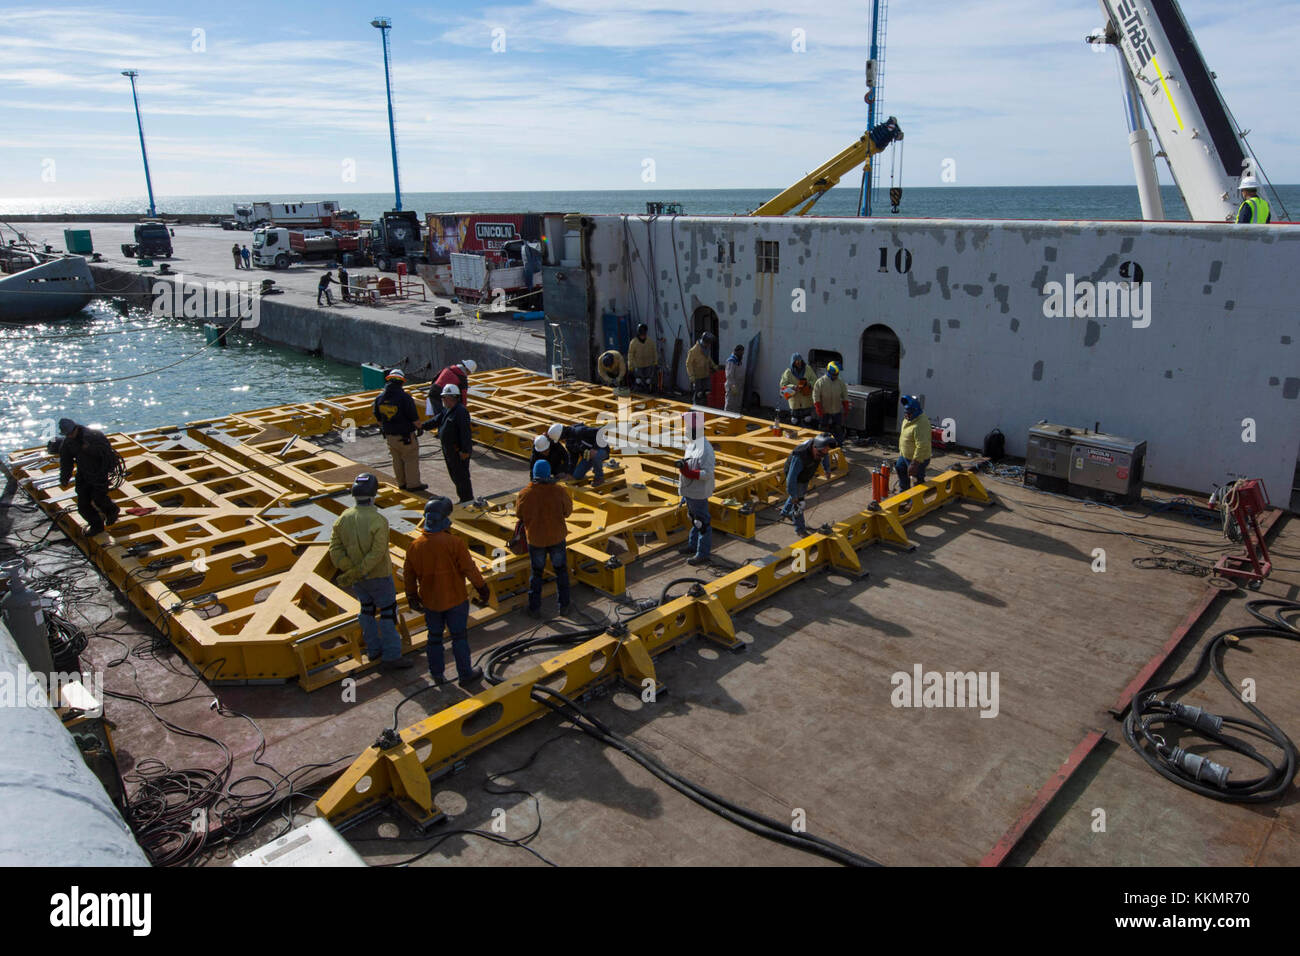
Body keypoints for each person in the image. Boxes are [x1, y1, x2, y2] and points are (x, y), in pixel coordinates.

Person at [328, 473, 412, 671]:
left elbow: (335, 548)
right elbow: (378, 552)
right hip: (379, 577)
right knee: (388, 614)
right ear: (374, 494)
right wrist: (361, 569)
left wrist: (351, 569)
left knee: (366, 611)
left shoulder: (343, 518)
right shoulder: (378, 520)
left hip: (358, 579)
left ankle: (373, 650)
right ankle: (391, 656)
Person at [404, 496, 486, 687]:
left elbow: (409, 575)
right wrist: (482, 588)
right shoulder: (454, 543)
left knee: (434, 638)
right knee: (459, 637)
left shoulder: (415, 546)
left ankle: (437, 674)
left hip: (431, 602)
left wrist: (412, 596)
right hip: (455, 599)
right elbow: (469, 569)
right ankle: (465, 674)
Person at [515, 460, 574, 618]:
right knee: (561, 571)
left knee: (536, 574)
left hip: (536, 539)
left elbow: (519, 515)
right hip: (557, 537)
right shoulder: (559, 491)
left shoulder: (525, 494)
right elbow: (568, 511)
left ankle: (534, 608)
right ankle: (564, 606)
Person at [57, 418, 120, 537]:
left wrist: (89, 449)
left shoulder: (94, 435)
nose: (70, 436)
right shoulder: (68, 443)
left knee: (99, 498)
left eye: (71, 433)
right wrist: (64, 478)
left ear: (76, 428)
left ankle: (112, 511)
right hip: (83, 474)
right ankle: (96, 525)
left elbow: (107, 454)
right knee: (83, 505)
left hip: (99, 472)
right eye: (67, 435)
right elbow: (66, 462)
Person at [372, 368, 425, 491]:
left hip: (390, 436)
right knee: (410, 459)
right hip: (405, 436)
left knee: (396, 460)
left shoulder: (379, 398)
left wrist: (387, 426)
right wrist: (420, 427)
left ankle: (401, 483)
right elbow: (414, 419)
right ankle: (413, 485)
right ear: (402, 382)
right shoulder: (405, 398)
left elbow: (378, 418)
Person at [676, 410, 716, 566]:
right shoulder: (693, 445)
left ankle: (703, 554)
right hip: (689, 491)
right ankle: (693, 546)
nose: (685, 432)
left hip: (698, 493)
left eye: (687, 429)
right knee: (694, 519)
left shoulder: (705, 449)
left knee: (702, 523)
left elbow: (707, 473)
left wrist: (688, 472)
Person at [779, 434, 837, 538]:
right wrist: (793, 495)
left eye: (823, 454)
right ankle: (800, 530)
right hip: (797, 475)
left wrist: (827, 469)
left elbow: (825, 455)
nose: (820, 457)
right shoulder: (800, 456)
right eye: (819, 454)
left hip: (806, 473)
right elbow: (791, 479)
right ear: (814, 448)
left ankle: (785, 512)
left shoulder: (821, 450)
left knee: (798, 494)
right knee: (799, 502)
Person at [426, 383, 475, 502]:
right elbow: (436, 420)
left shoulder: (460, 412)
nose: (442, 400)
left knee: (461, 476)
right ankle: (463, 498)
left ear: (451, 398)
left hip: (457, 451)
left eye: (444, 397)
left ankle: (467, 499)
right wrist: (421, 426)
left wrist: (465, 451)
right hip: (449, 450)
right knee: (455, 475)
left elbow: (465, 433)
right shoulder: (447, 410)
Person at [896, 394, 932, 491]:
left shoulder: (920, 425)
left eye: (909, 413)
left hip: (917, 459)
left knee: (916, 480)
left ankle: (915, 502)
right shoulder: (909, 419)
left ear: (915, 412)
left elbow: (922, 445)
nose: (906, 415)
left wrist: (915, 464)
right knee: (900, 468)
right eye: (905, 413)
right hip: (905, 455)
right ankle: (904, 494)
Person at [813, 361, 851, 442]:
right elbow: (815, 396)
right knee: (823, 431)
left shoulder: (840, 382)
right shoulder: (820, 382)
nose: (836, 375)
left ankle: (839, 445)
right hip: (824, 411)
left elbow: (845, 395)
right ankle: (822, 445)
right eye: (834, 374)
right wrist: (818, 409)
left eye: (837, 374)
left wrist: (846, 407)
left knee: (837, 429)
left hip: (836, 411)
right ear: (829, 371)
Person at [779, 353, 815, 426]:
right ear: (793, 362)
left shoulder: (808, 369)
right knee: (794, 420)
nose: (798, 363)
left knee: (807, 419)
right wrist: (793, 387)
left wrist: (808, 385)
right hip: (794, 402)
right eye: (796, 361)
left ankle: (807, 433)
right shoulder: (788, 372)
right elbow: (783, 385)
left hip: (806, 401)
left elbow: (815, 380)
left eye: (800, 361)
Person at [685, 332, 720, 406]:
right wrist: (691, 376)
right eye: (709, 343)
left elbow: (708, 359)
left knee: (706, 394)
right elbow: (688, 364)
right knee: (698, 394)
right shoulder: (693, 351)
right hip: (697, 377)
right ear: (705, 341)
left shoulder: (706, 349)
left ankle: (703, 410)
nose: (710, 345)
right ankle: (695, 412)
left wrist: (714, 366)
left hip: (705, 375)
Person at [627, 322, 658, 392]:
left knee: (648, 380)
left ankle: (648, 391)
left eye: (644, 334)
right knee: (638, 380)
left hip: (648, 364)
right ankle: (639, 392)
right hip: (638, 365)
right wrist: (630, 366)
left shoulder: (650, 342)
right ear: (638, 333)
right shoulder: (633, 342)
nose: (643, 336)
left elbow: (654, 352)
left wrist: (655, 362)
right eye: (642, 334)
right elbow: (630, 354)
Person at [724, 344, 746, 414]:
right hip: (732, 387)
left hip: (739, 387)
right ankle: (726, 419)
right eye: (741, 353)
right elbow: (729, 376)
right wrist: (733, 387)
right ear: (736, 352)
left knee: (737, 405)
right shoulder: (731, 361)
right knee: (730, 405)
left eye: (743, 353)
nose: (742, 354)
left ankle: (735, 421)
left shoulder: (739, 361)